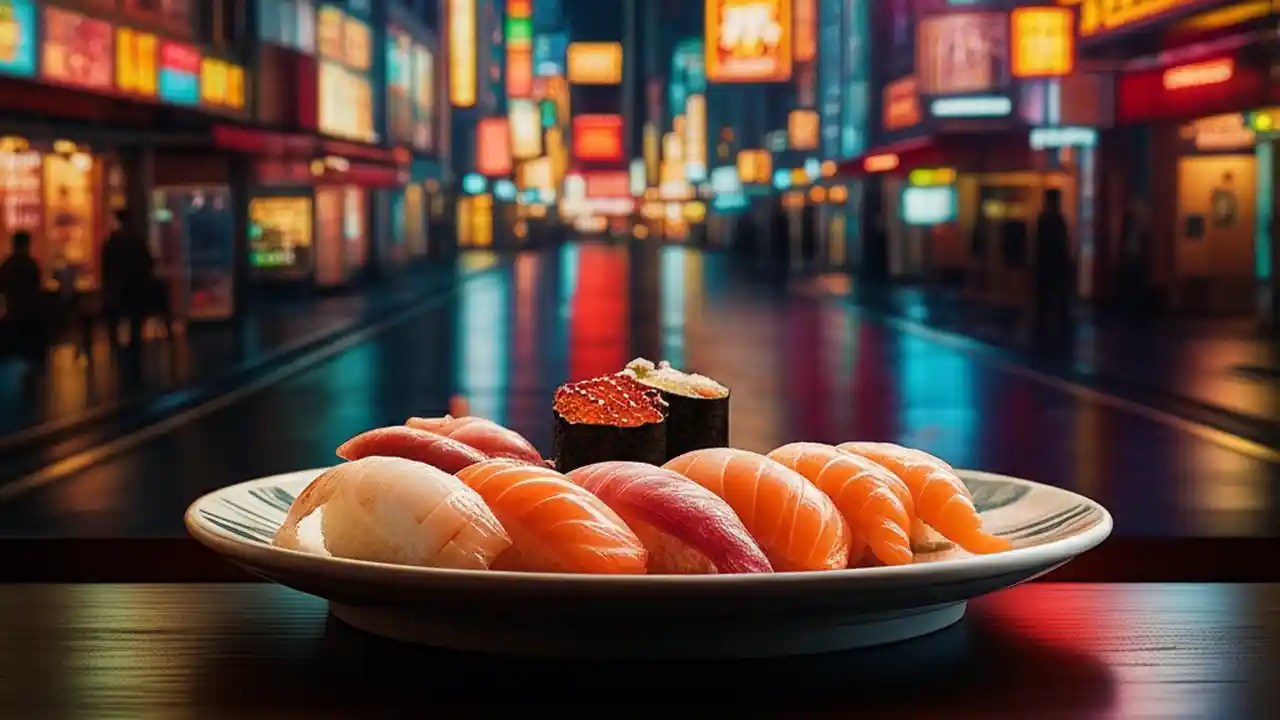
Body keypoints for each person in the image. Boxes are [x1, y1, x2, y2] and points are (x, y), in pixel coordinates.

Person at [101, 209, 156, 349]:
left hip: (118, 287)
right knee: (135, 321)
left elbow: (106, 266)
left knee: (116, 320)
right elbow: (148, 262)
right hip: (136, 287)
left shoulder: (113, 242)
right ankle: (134, 348)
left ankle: (116, 347)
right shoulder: (137, 241)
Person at [0, 231, 46, 366]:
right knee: (31, 352)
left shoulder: (7, 265)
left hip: (13, 313)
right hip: (31, 314)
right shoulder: (31, 265)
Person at [1033, 188, 1072, 342]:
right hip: (1057, 263)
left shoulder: (1043, 219)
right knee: (1059, 295)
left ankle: (1042, 330)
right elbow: (1063, 244)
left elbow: (1039, 243)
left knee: (1044, 297)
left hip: (1045, 263)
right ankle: (1060, 327)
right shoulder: (1060, 220)